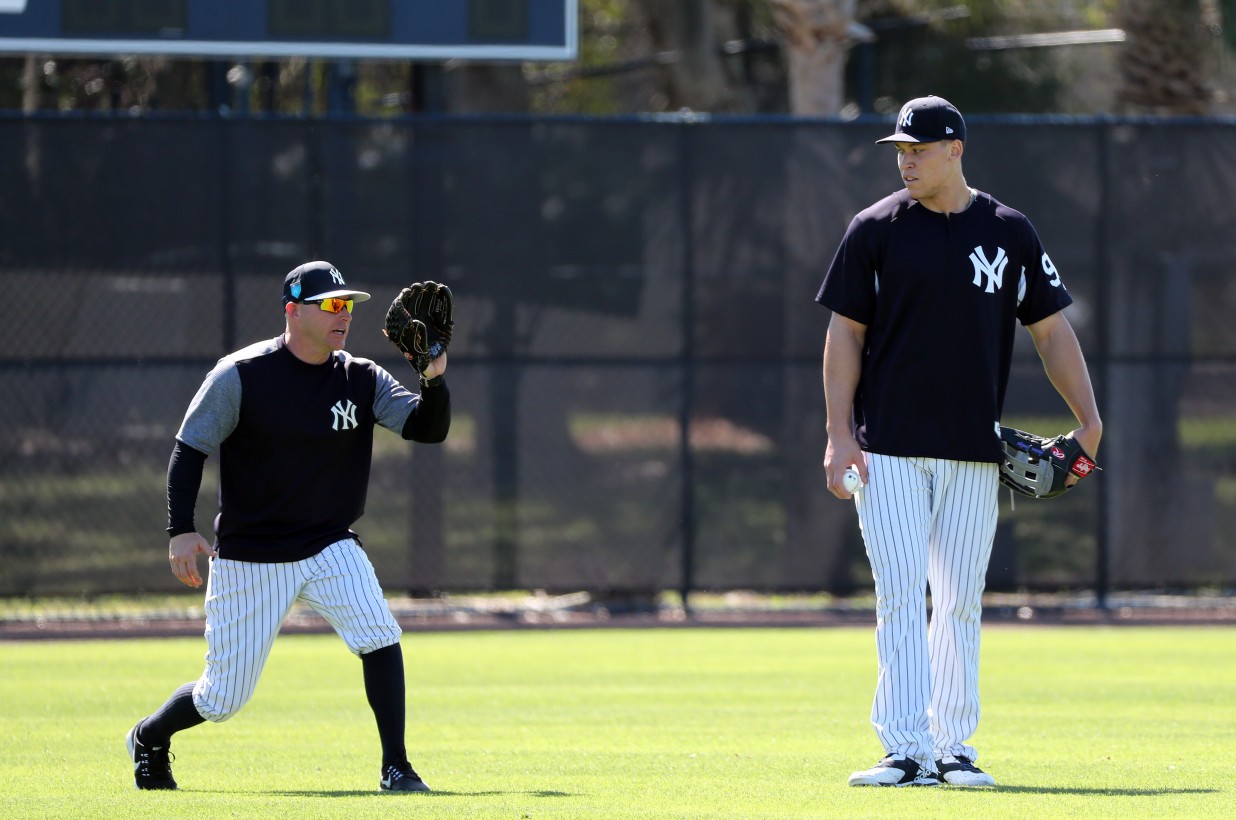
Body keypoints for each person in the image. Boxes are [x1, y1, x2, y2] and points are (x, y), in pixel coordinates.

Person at [816, 96, 1102, 788]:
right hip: (884, 446)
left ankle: (955, 748)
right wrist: (836, 436)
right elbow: (844, 335)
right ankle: (905, 748)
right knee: (899, 595)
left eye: (918, 149)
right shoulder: (875, 229)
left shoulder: (1009, 231)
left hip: (975, 449)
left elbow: (1051, 331)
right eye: (900, 151)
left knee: (961, 601)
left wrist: (1088, 419)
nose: (906, 160)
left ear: (955, 151)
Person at [125, 260, 450, 793]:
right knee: (221, 699)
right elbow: (189, 451)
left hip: (327, 542)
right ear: (293, 310)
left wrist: (433, 380)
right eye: (330, 305)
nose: (342, 314)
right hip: (252, 554)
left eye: (346, 305)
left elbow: (426, 428)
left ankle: (397, 767)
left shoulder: (362, 377)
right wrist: (179, 530)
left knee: (380, 635)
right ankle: (150, 736)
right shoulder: (241, 375)